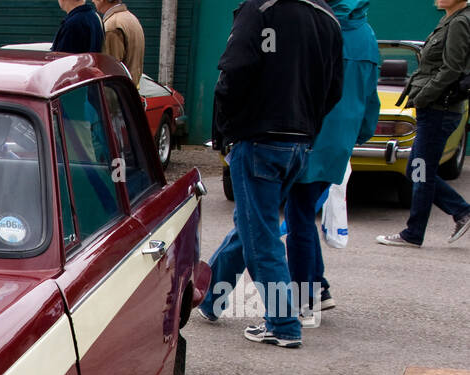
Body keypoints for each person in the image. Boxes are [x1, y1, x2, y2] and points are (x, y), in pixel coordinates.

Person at [200, 0, 342, 350]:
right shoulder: (327, 17)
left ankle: (282, 324)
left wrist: (224, 132)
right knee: (252, 224)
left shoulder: (260, 9)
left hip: (258, 138)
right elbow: (334, 88)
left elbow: (231, 74)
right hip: (299, 143)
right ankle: (208, 297)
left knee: (260, 235)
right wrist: (307, 126)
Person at [285, 0, 381, 322]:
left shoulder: (318, 25)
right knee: (304, 210)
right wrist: (358, 134)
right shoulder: (366, 33)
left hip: (311, 133)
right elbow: (370, 96)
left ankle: (304, 298)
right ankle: (319, 288)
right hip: (340, 140)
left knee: (299, 216)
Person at [376, 0, 470, 247]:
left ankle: (413, 233)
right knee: (415, 170)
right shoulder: (450, 19)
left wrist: (424, 94)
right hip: (435, 107)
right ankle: (461, 211)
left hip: (440, 108)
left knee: (422, 171)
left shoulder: (460, 22)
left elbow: (451, 69)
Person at [94, 0, 146, 84]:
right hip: (130, 89)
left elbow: (112, 70)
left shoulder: (112, 26)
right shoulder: (131, 17)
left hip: (118, 92)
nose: (92, 1)